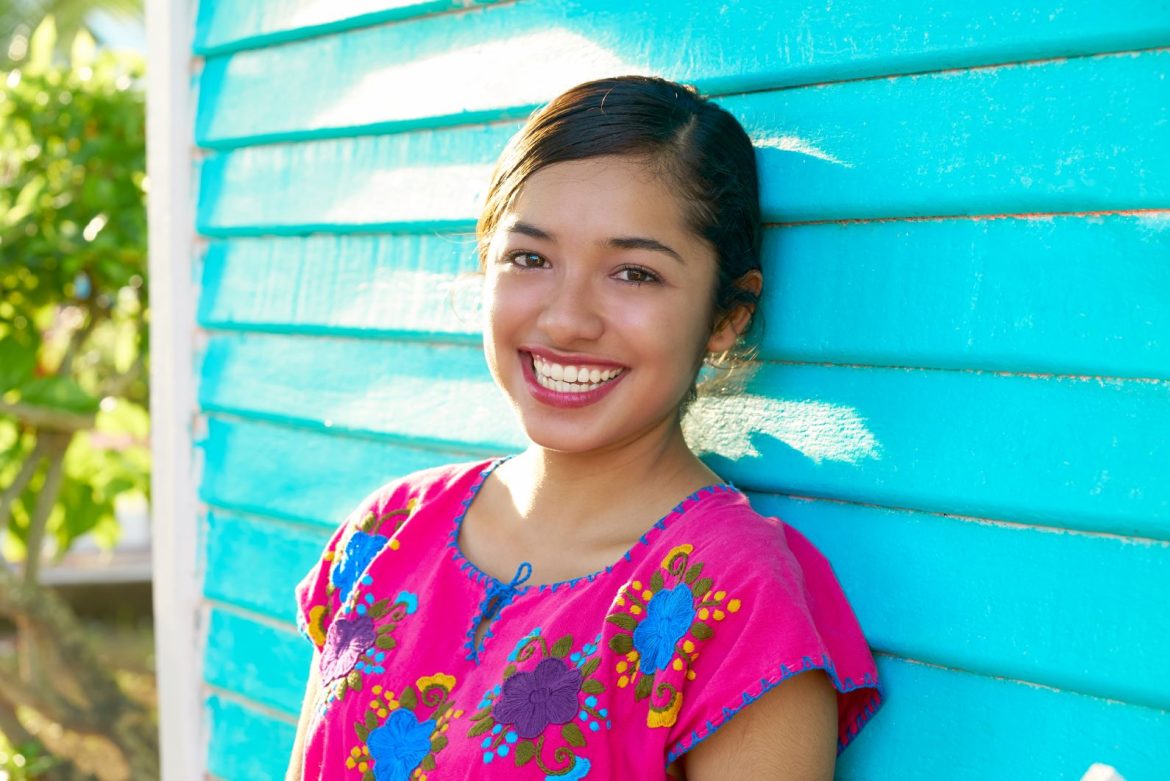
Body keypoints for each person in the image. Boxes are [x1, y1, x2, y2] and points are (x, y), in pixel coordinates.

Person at [287, 75, 882, 781]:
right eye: (530, 258)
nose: (567, 319)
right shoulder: (390, 530)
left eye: (633, 273)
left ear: (728, 315)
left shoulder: (735, 594)